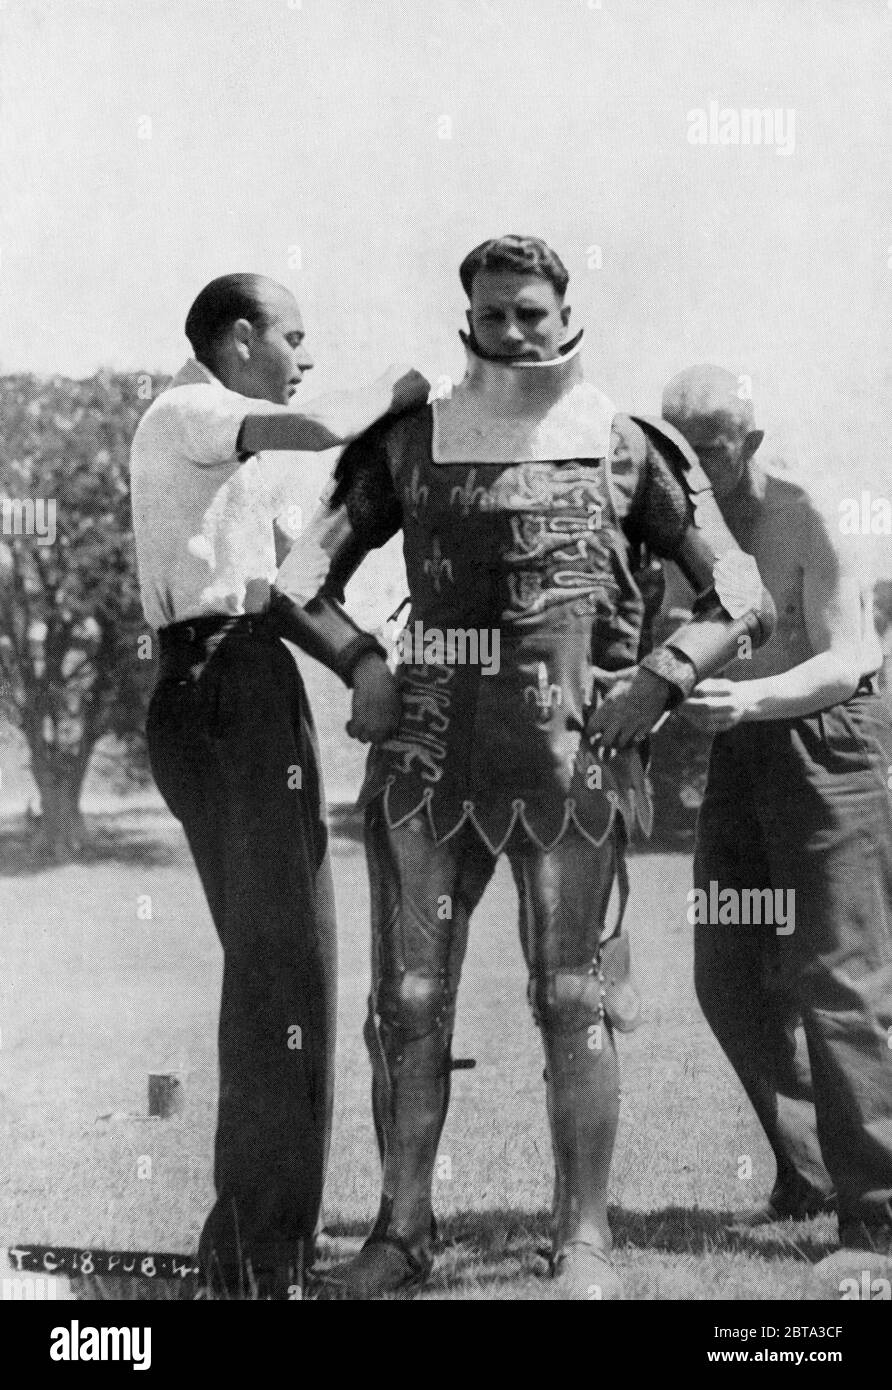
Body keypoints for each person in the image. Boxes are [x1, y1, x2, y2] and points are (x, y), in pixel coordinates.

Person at [276, 237, 775, 1298]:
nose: (512, 331)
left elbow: (741, 589)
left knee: (570, 996)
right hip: (424, 760)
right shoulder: (406, 444)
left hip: (569, 761)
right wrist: (361, 659)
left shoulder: (628, 445)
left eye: (530, 313)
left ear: (566, 316)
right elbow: (295, 579)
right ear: (468, 318)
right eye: (494, 313)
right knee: (407, 1000)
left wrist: (661, 676)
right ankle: (400, 1234)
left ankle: (581, 1236)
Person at [129, 272, 427, 1297]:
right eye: (294, 336)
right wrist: (417, 386)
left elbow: (274, 588)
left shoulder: (218, 450)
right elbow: (325, 421)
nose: (306, 353)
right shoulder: (194, 410)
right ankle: (264, 1256)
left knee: (276, 971)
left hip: (229, 676)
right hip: (229, 690)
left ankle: (251, 1249)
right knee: (288, 971)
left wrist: (362, 663)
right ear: (240, 337)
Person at [664, 364, 892, 1271]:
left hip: (832, 745)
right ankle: (809, 1171)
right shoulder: (689, 523)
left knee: (840, 978)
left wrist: (746, 706)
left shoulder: (814, 510)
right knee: (727, 968)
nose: (691, 465)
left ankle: (877, 1214)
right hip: (744, 746)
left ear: (749, 443)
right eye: (676, 448)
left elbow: (845, 659)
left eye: (708, 449)